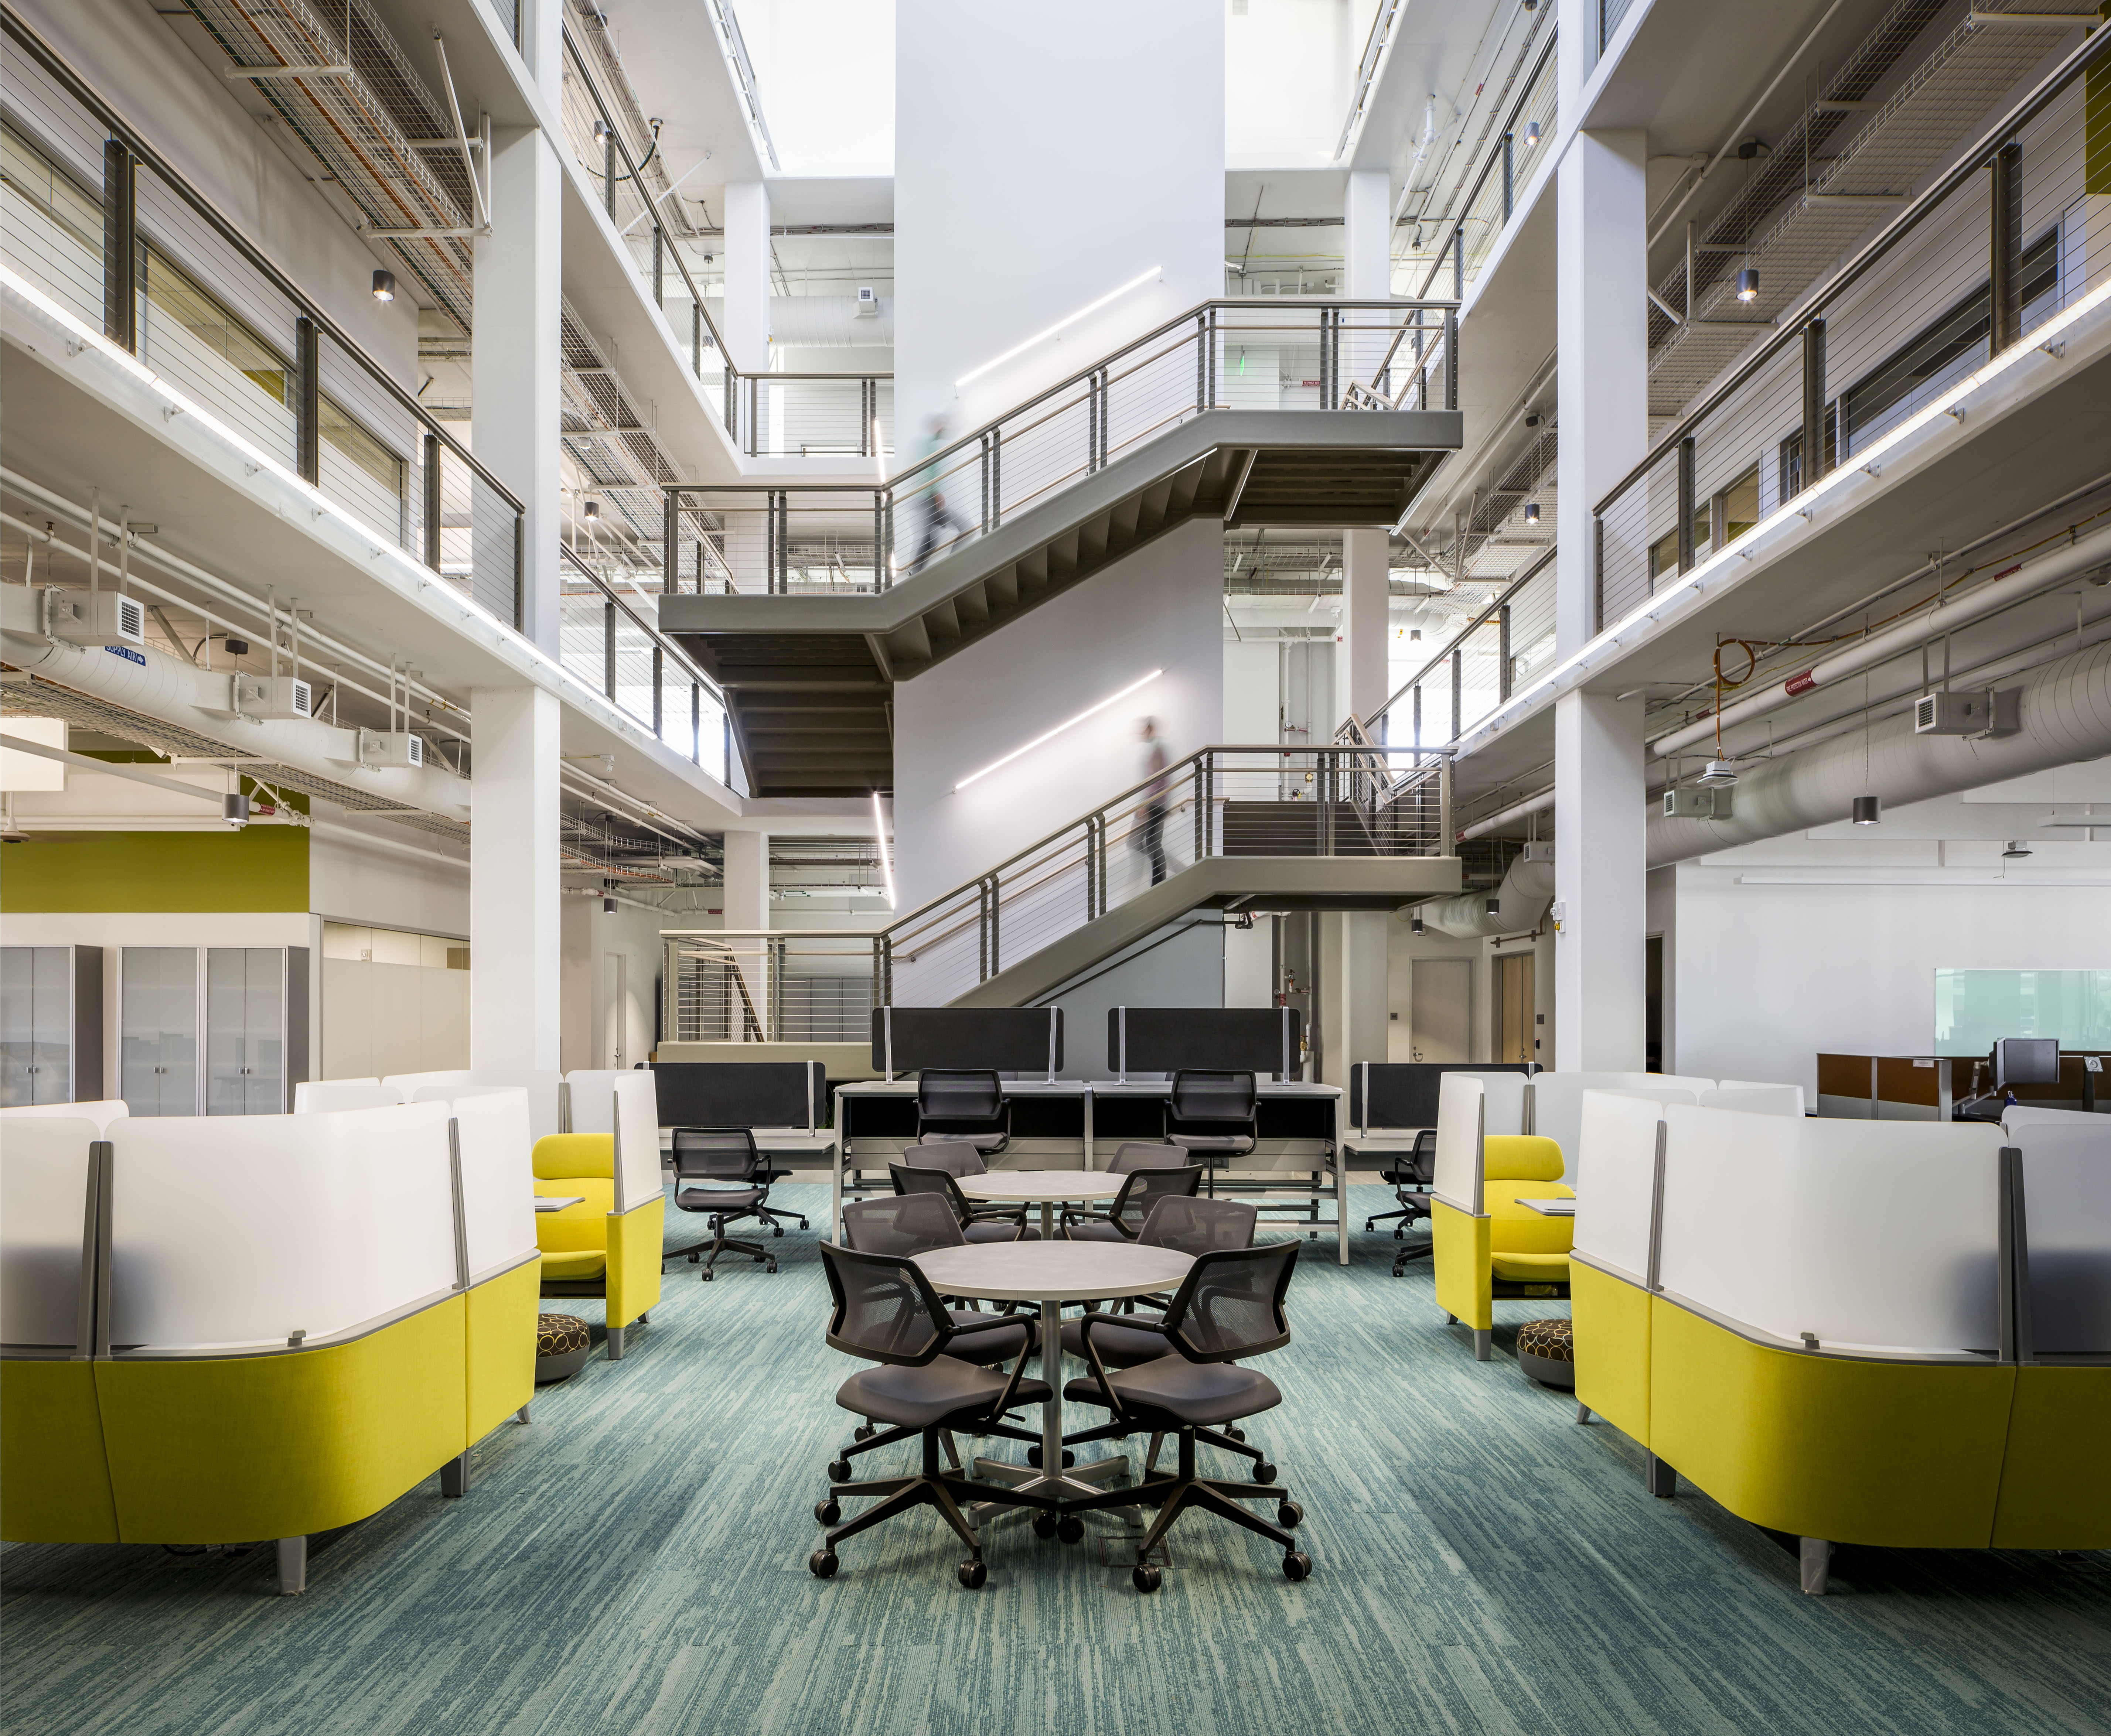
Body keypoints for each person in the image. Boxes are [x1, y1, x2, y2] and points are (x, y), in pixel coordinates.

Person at [909, 413, 968, 573]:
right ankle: (919, 571)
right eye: (941, 425)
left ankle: (915, 572)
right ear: (935, 426)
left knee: (931, 540)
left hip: (929, 499)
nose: (943, 428)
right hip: (928, 499)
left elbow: (951, 432)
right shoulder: (928, 445)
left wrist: (958, 423)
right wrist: (935, 492)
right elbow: (924, 472)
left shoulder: (931, 443)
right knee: (964, 528)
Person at [1135, 716, 1170, 886]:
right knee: (1149, 843)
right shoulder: (1155, 749)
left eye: (1144, 730)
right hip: (1156, 803)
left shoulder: (1157, 749)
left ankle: (1159, 883)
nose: (1141, 734)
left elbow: (1157, 781)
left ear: (1149, 730)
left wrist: (1147, 805)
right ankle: (1158, 882)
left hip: (1157, 804)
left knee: (1151, 843)